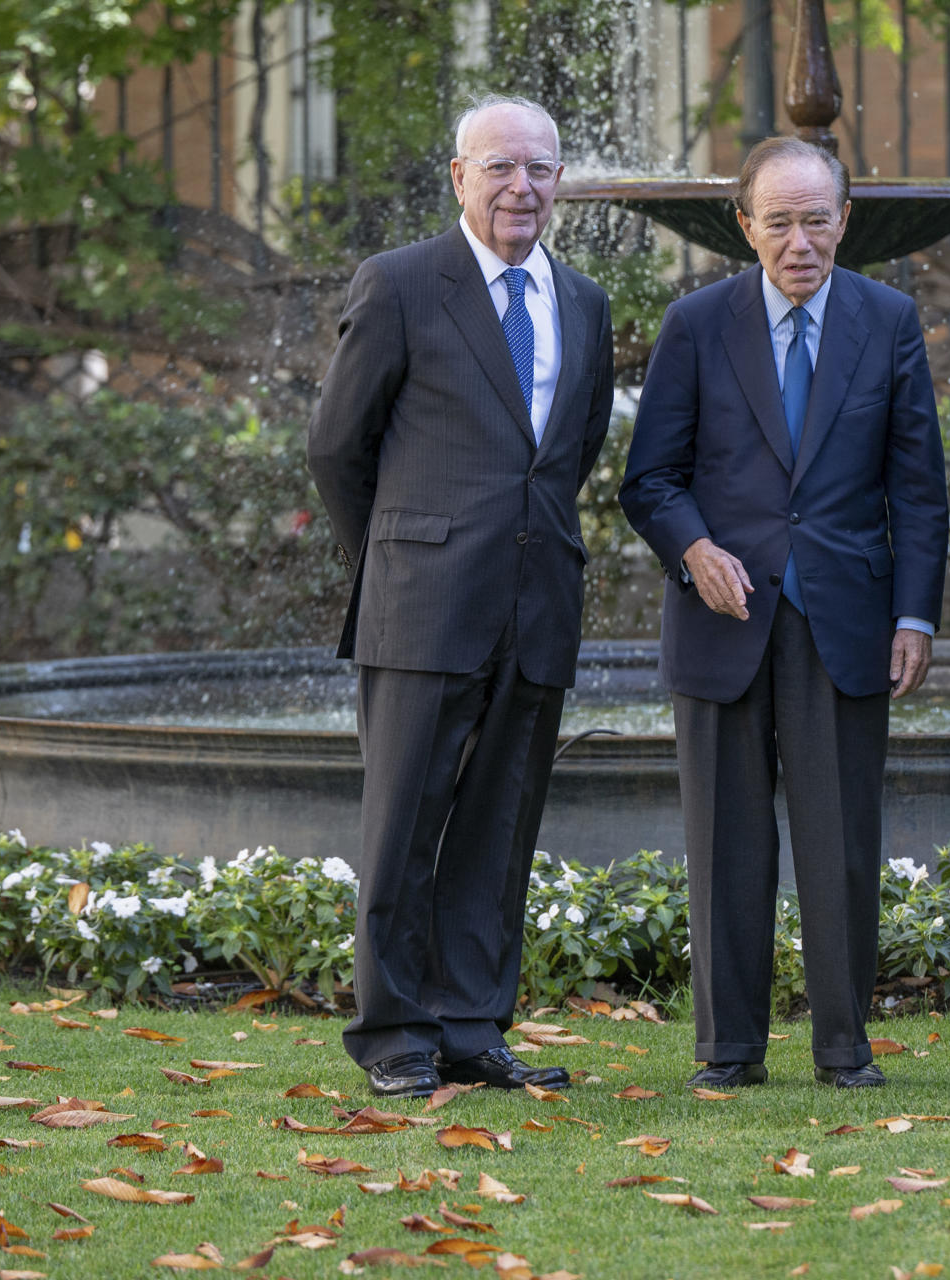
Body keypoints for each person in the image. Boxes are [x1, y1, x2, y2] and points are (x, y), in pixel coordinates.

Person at [620, 136, 948, 1090]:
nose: (799, 242)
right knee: (724, 844)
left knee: (841, 842)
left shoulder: (889, 322)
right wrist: (692, 548)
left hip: (845, 621)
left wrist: (917, 617)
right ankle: (728, 1051)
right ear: (744, 226)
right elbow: (652, 478)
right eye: (779, 222)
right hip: (723, 619)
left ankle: (844, 1048)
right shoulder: (694, 323)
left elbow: (918, 490)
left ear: (845, 220)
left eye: (817, 220)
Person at [308, 94, 615, 1098]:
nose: (521, 187)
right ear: (459, 176)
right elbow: (337, 447)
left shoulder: (583, 301)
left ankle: (473, 1024)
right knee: (403, 826)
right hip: (421, 601)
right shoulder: (401, 285)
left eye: (539, 169)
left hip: (535, 604)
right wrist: (396, 557)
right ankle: (395, 1029)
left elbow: (566, 457)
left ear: (560, 180)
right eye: (500, 168)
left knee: (498, 829)